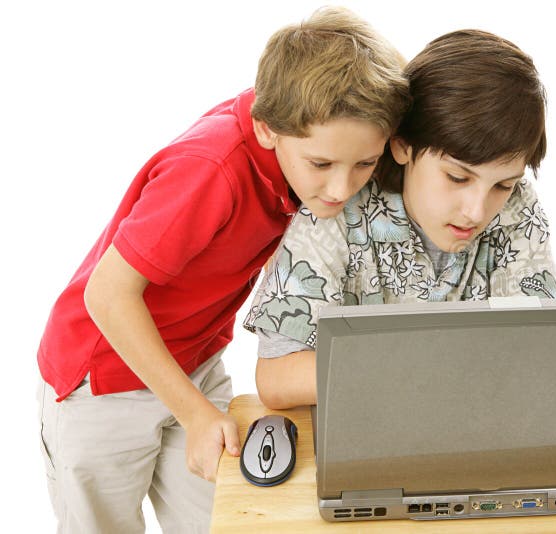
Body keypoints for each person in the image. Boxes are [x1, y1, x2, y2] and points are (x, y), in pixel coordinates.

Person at [36, 7, 410, 533]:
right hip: (103, 381)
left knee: (225, 518)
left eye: (364, 164)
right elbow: (108, 295)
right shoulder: (210, 171)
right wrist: (192, 414)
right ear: (266, 128)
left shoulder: (305, 126)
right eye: (322, 165)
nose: (342, 189)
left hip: (196, 361)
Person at [244, 29, 556, 410]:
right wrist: (420, 370)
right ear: (402, 147)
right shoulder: (339, 210)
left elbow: (543, 349)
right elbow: (277, 377)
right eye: (457, 178)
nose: (477, 211)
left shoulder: (518, 209)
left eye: (503, 184)